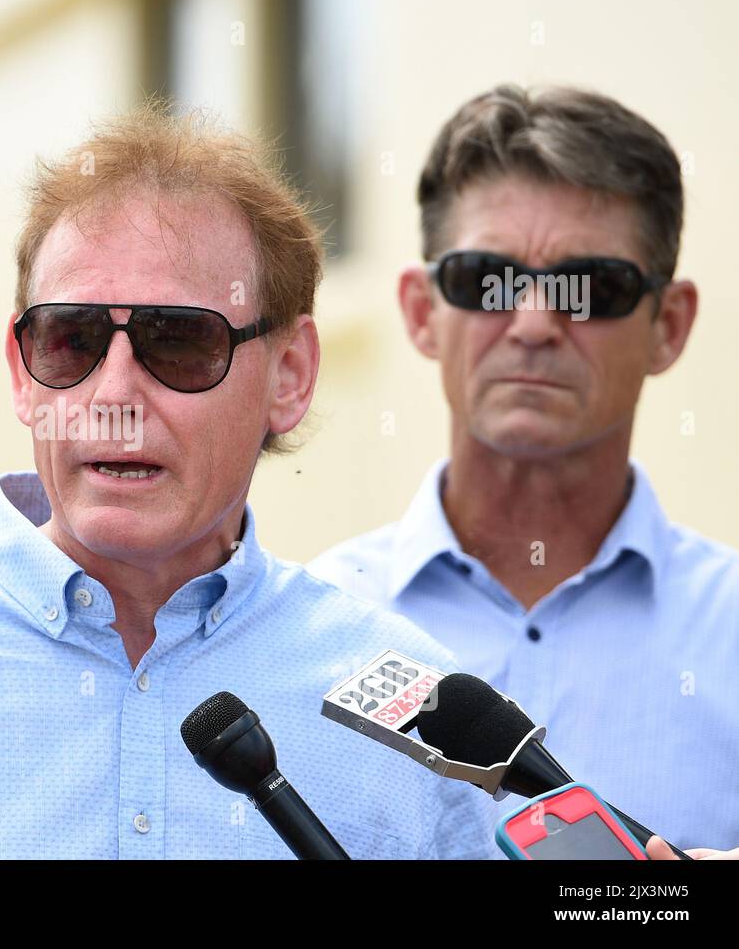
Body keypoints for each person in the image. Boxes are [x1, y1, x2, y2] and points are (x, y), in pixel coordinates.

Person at [0, 104, 495, 860]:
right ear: (22, 373)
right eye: (72, 339)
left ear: (289, 375)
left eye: (179, 340)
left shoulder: (421, 715)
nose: (114, 392)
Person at [306, 85, 737, 849]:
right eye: (486, 280)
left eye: (592, 287)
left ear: (669, 326)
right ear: (418, 310)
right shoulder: (308, 632)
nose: (534, 323)